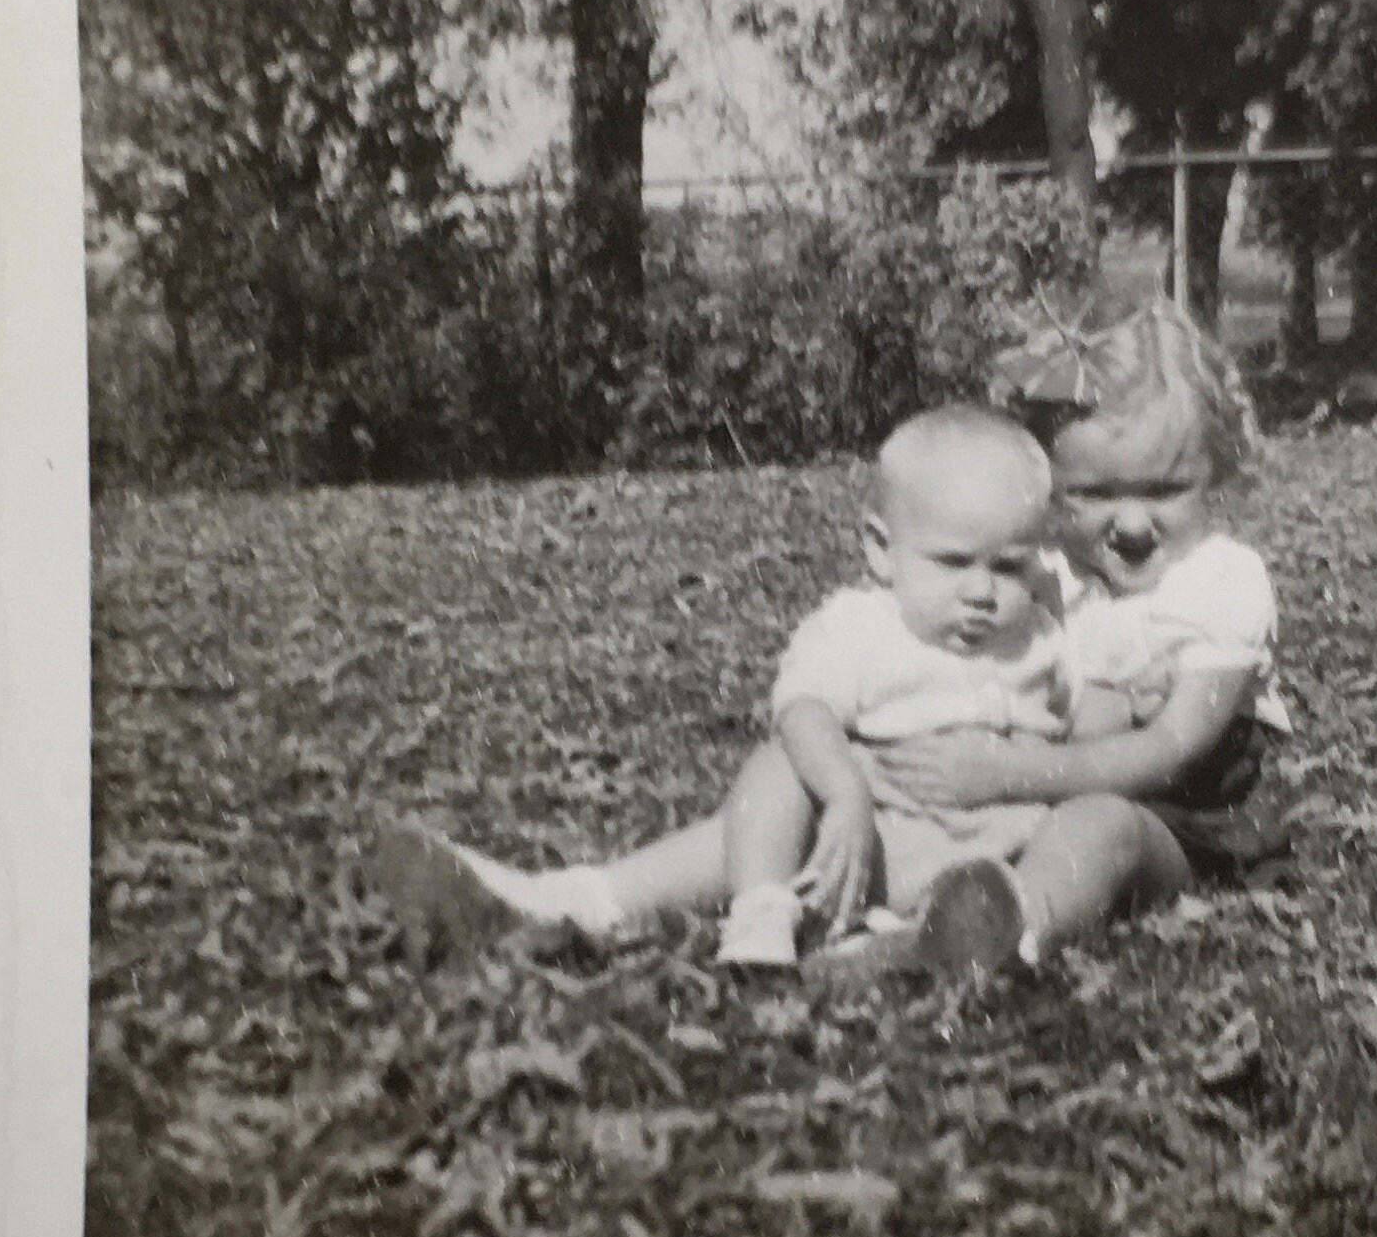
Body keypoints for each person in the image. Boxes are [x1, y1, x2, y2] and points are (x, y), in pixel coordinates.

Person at [372, 403, 1074, 969]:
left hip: (974, 855)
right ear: (880, 551)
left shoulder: (1044, 633)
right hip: (857, 832)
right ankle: (640, 902)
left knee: (995, 876)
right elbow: (801, 708)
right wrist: (845, 792)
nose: (982, 591)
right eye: (954, 562)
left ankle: (895, 944)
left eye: (1009, 566)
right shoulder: (866, 625)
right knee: (770, 785)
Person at [855, 285, 1294, 964]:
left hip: (1185, 835)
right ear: (1046, 488)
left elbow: (1174, 748)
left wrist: (1009, 772)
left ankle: (1006, 934)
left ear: (1216, 469)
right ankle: (855, 898)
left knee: (1101, 828)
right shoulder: (1051, 576)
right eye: (1093, 494)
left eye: (1164, 490)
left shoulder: (1219, 582)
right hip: (1043, 792)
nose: (1132, 523)